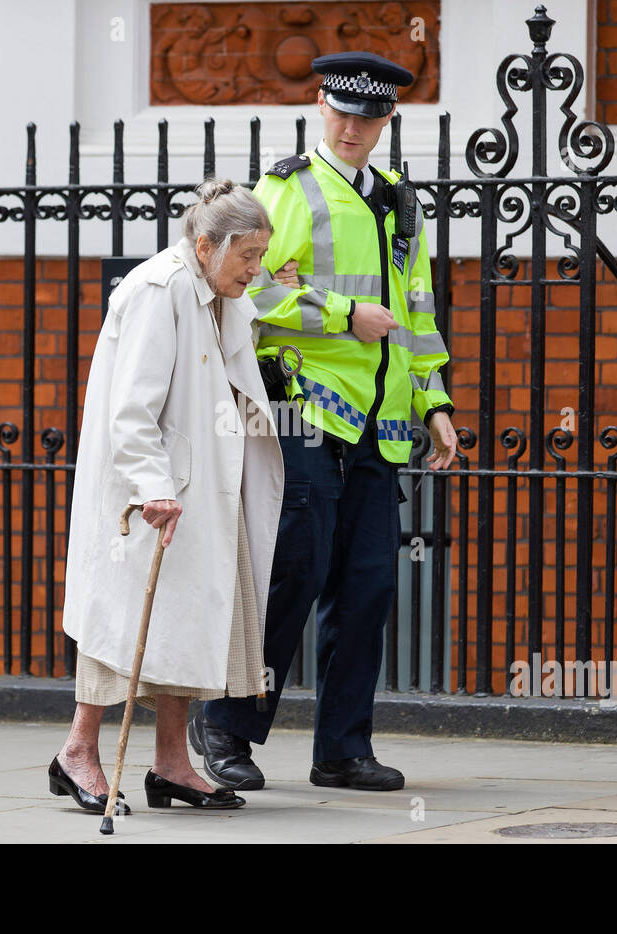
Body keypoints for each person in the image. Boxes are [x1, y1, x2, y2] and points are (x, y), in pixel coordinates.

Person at [189, 52, 458, 792]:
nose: (351, 128)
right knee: (293, 575)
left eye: (367, 117)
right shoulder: (282, 190)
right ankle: (225, 725)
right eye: (341, 113)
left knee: (368, 588)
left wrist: (435, 404)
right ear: (319, 106)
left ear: (387, 122)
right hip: (308, 413)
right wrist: (343, 312)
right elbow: (250, 295)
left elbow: (417, 312)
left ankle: (341, 749)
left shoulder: (402, 202)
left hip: (382, 422)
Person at [51, 179, 285, 813]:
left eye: (260, 255)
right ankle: (77, 752)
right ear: (207, 244)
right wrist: (152, 486)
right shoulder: (160, 289)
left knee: (187, 621)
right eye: (247, 256)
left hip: (203, 488)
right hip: (152, 495)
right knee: (121, 624)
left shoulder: (211, 289)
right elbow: (131, 409)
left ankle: (172, 765)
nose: (254, 269)